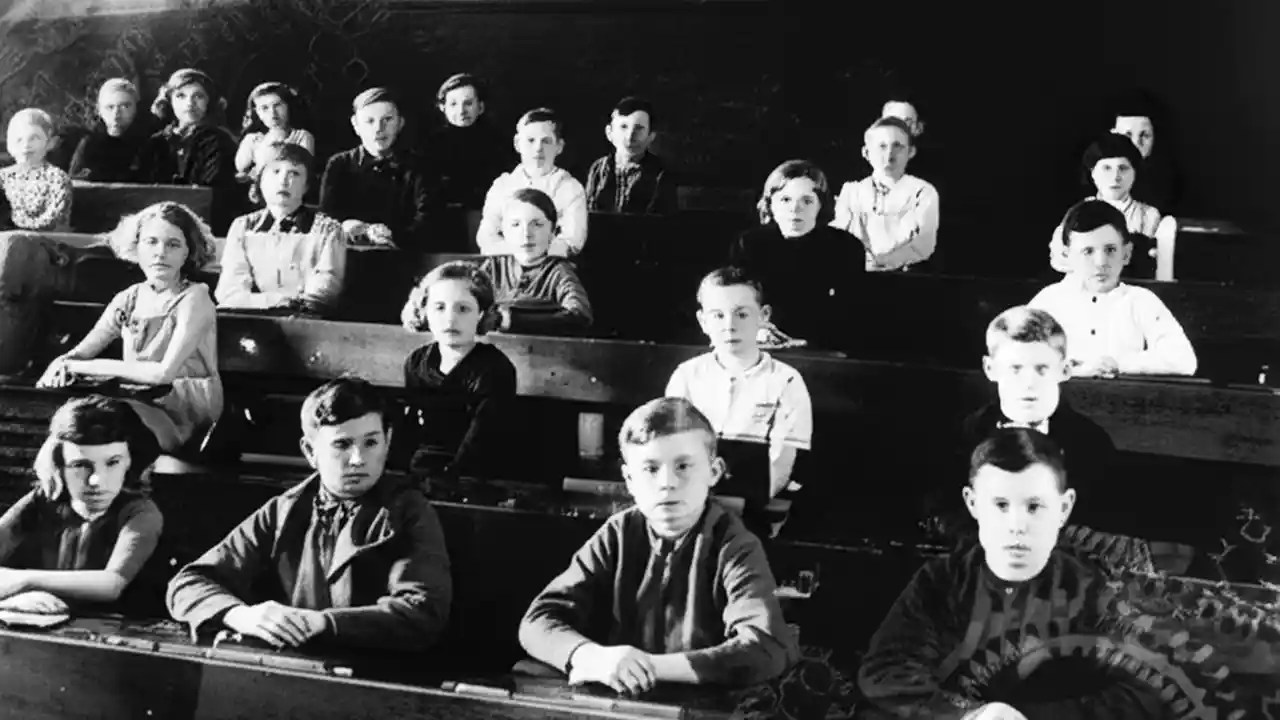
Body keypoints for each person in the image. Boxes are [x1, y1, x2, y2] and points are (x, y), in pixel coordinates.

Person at [859, 429, 1172, 720]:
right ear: (972, 503)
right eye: (1000, 505)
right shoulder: (940, 581)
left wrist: (1025, 717)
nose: (1017, 525)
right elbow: (886, 669)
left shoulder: (1096, 592)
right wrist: (967, 714)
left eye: (1034, 507)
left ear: (1064, 508)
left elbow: (1145, 692)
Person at [518, 397, 799, 692]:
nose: (667, 483)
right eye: (650, 469)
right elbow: (539, 620)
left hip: (701, 703)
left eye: (683, 466)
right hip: (619, 700)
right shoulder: (617, 534)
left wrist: (645, 667)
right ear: (629, 480)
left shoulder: (735, 546)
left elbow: (765, 647)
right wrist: (590, 656)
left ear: (714, 472)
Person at [166, 377, 452, 652]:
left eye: (371, 443)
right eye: (342, 444)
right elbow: (188, 583)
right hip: (296, 666)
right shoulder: (283, 510)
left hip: (377, 671)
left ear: (387, 441)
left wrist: (324, 623)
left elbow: (422, 612)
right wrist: (241, 615)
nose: (358, 459)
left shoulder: (408, 510)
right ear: (309, 451)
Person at [36, 201, 224, 453]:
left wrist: (79, 367)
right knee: (72, 423)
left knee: (107, 423)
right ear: (136, 246)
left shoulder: (195, 297)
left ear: (188, 252)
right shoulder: (129, 298)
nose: (160, 253)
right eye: (151, 242)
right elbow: (81, 353)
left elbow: (163, 374)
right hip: (136, 399)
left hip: (183, 411)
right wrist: (60, 364)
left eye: (173, 244)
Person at [948, 306, 1116, 535]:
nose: (1029, 383)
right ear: (990, 368)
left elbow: (1101, 524)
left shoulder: (1090, 441)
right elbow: (950, 515)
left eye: (1042, 369)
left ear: (1065, 370)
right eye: (1015, 369)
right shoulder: (968, 434)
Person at [0, 395, 163, 612]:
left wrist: (24, 581)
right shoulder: (41, 502)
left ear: (130, 462)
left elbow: (112, 584)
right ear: (58, 465)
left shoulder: (140, 513)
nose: (95, 480)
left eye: (113, 463)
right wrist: (10, 602)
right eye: (80, 465)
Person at [665, 267, 812, 504]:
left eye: (742, 314)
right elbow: (675, 447)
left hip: (757, 502)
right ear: (703, 321)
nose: (729, 325)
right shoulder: (686, 376)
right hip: (694, 499)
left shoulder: (786, 381)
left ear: (763, 316)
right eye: (718, 315)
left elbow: (781, 464)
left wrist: (744, 506)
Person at [1031, 200, 1196, 377]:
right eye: (1088, 251)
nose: (1101, 262)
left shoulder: (1139, 300)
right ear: (1067, 255)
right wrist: (1074, 369)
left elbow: (1184, 360)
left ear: (1126, 254)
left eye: (1110, 250)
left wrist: (1119, 364)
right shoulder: (1050, 301)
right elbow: (1018, 352)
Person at [399, 260, 517, 479]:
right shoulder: (417, 362)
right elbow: (409, 430)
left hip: (476, 473)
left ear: (481, 314)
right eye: (439, 307)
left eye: (463, 309)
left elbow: (482, 442)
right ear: (424, 311)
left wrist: (446, 479)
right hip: (423, 470)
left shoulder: (495, 368)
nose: (450, 318)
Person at [729, 159, 864, 347]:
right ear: (771, 204)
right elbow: (736, 302)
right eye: (785, 200)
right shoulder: (749, 244)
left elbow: (851, 312)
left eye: (807, 201)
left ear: (820, 205)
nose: (795, 209)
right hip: (762, 343)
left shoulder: (845, 246)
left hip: (823, 347)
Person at [215, 142, 346, 316]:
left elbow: (325, 289)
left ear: (307, 185)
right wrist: (273, 302)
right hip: (251, 318)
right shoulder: (243, 227)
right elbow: (230, 288)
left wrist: (293, 305)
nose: (284, 181)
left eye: (295, 173)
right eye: (276, 171)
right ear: (260, 180)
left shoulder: (327, 230)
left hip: (305, 320)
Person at [319, 87, 434, 252]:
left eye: (387, 119)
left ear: (400, 123)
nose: (379, 128)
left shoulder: (418, 167)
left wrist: (391, 236)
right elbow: (328, 217)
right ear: (356, 125)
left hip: (402, 253)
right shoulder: (339, 164)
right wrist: (352, 228)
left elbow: (426, 220)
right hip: (347, 253)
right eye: (370, 121)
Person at [830, 116, 939, 271]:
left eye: (897, 146)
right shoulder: (852, 192)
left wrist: (885, 263)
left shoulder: (922, 192)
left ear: (911, 152)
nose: (889, 154)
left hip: (905, 275)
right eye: (882, 146)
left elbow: (924, 243)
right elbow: (839, 236)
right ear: (866, 152)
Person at [477, 188, 593, 334]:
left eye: (537, 224)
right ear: (504, 231)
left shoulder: (558, 273)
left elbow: (580, 316)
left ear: (553, 232)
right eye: (516, 225)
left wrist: (510, 321)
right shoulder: (493, 267)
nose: (527, 234)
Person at [476, 108, 587, 258]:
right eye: (530, 140)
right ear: (517, 143)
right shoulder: (502, 186)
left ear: (559, 146)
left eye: (546, 141)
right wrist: (517, 251)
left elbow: (572, 242)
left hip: (551, 263)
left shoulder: (570, 188)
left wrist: (532, 253)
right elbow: (486, 237)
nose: (538, 148)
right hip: (506, 262)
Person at [1048, 134, 1161, 277]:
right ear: (1092, 173)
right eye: (1107, 168)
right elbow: (1058, 257)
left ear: (1135, 173)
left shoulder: (1148, 215)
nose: (1115, 177)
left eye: (1123, 168)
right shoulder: (1078, 211)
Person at [141, 68, 238, 230]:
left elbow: (215, 192)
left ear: (209, 101)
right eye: (181, 96)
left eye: (198, 96)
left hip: (205, 223)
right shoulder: (157, 142)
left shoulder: (219, 141)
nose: (189, 103)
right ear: (170, 101)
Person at [423, 73, 508, 249]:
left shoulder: (496, 143)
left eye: (468, 103)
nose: (461, 111)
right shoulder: (430, 145)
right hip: (442, 219)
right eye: (453, 104)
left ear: (481, 107)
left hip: (484, 216)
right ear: (442, 107)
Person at [584, 96, 675, 215]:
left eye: (639, 128)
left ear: (651, 136)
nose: (630, 136)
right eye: (623, 127)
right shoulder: (599, 169)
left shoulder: (660, 174)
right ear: (609, 133)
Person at [0, 108, 73, 231]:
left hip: (45, 240)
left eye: (34, 138)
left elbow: (54, 221)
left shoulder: (57, 179)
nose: (26, 145)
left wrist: (15, 225)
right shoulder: (2, 178)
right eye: (19, 139)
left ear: (50, 142)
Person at [69, 78, 151, 182]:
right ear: (99, 110)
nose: (116, 114)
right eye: (110, 107)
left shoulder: (149, 143)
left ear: (136, 108)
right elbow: (76, 182)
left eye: (125, 106)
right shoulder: (89, 145)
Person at [233, 82, 315, 179]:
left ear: (288, 106)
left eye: (277, 105)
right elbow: (241, 168)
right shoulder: (253, 140)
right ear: (257, 113)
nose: (273, 113)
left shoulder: (302, 137)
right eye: (264, 108)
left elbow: (302, 170)